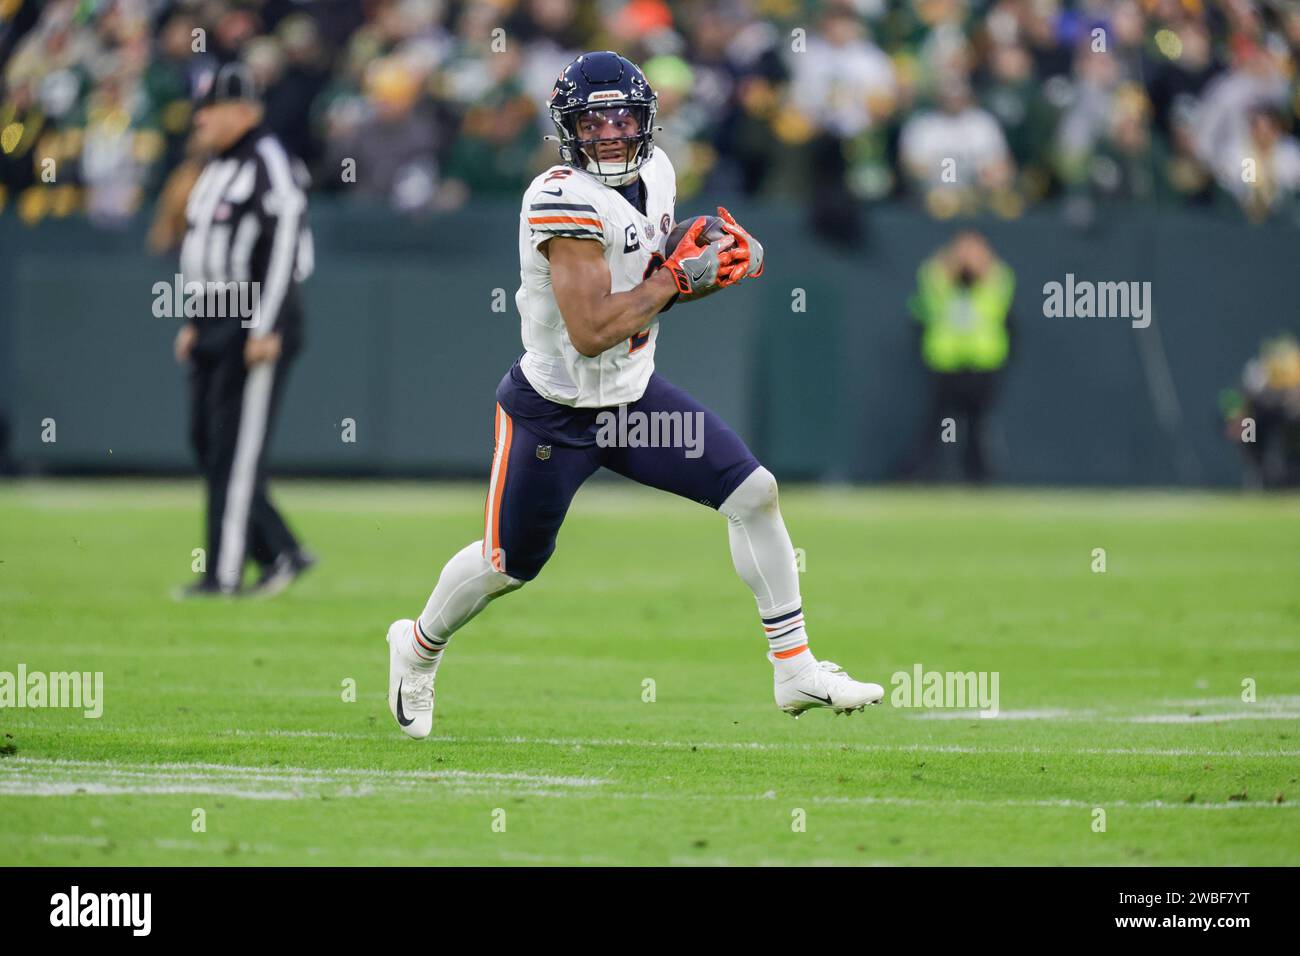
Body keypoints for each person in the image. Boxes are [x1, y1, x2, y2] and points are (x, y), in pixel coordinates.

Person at [383, 50, 884, 739]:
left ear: (647, 121)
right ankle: (416, 646)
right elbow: (591, 328)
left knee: (754, 493)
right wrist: (681, 280)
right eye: (594, 122)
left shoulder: (658, 172)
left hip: (634, 404)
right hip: (555, 413)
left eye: (624, 118)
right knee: (509, 563)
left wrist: (703, 245)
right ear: (569, 131)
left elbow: (646, 258)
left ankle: (794, 666)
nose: (612, 133)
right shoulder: (558, 197)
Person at [172, 63, 315, 598]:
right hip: (213, 314)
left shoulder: (269, 162)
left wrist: (266, 323)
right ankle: (282, 548)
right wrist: (192, 318)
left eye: (211, 108)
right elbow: (200, 250)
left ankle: (225, 574)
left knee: (235, 452)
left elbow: (284, 247)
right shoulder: (214, 166)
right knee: (208, 443)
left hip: (254, 316)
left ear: (245, 111)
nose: (200, 118)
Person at [898, 231, 1015, 482]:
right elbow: (929, 289)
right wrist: (950, 266)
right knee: (937, 423)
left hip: (982, 363)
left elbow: (1000, 291)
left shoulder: (996, 280)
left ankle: (978, 476)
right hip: (946, 362)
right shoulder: (938, 279)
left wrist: (980, 268)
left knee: (977, 426)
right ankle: (924, 473)